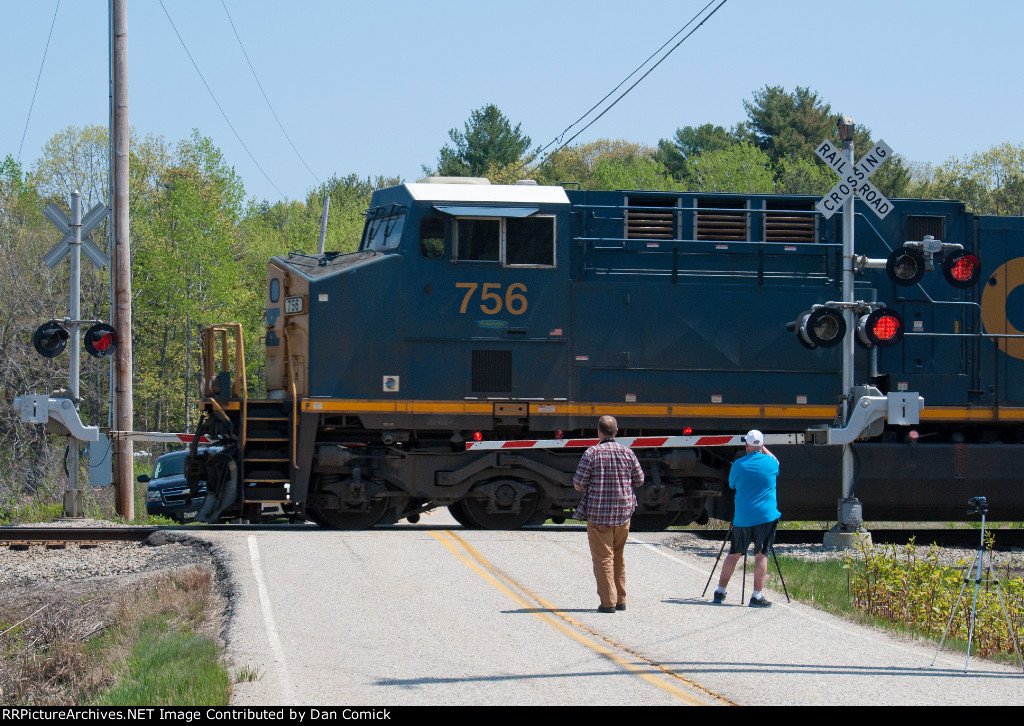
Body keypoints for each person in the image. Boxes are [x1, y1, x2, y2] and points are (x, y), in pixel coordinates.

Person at [572, 415, 645, 613]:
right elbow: (639, 480)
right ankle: (621, 599)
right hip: (623, 514)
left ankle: (608, 603)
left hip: (599, 515)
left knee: (603, 558)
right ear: (616, 431)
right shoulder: (627, 452)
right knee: (618, 556)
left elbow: (579, 484)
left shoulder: (591, 453)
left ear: (599, 432)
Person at [712, 429, 781, 608]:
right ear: (762, 444)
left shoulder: (738, 464)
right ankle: (756, 596)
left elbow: (732, 484)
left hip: (742, 517)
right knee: (761, 555)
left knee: (734, 554)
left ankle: (720, 591)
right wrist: (763, 448)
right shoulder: (771, 464)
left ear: (746, 445)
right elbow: (776, 461)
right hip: (766, 516)